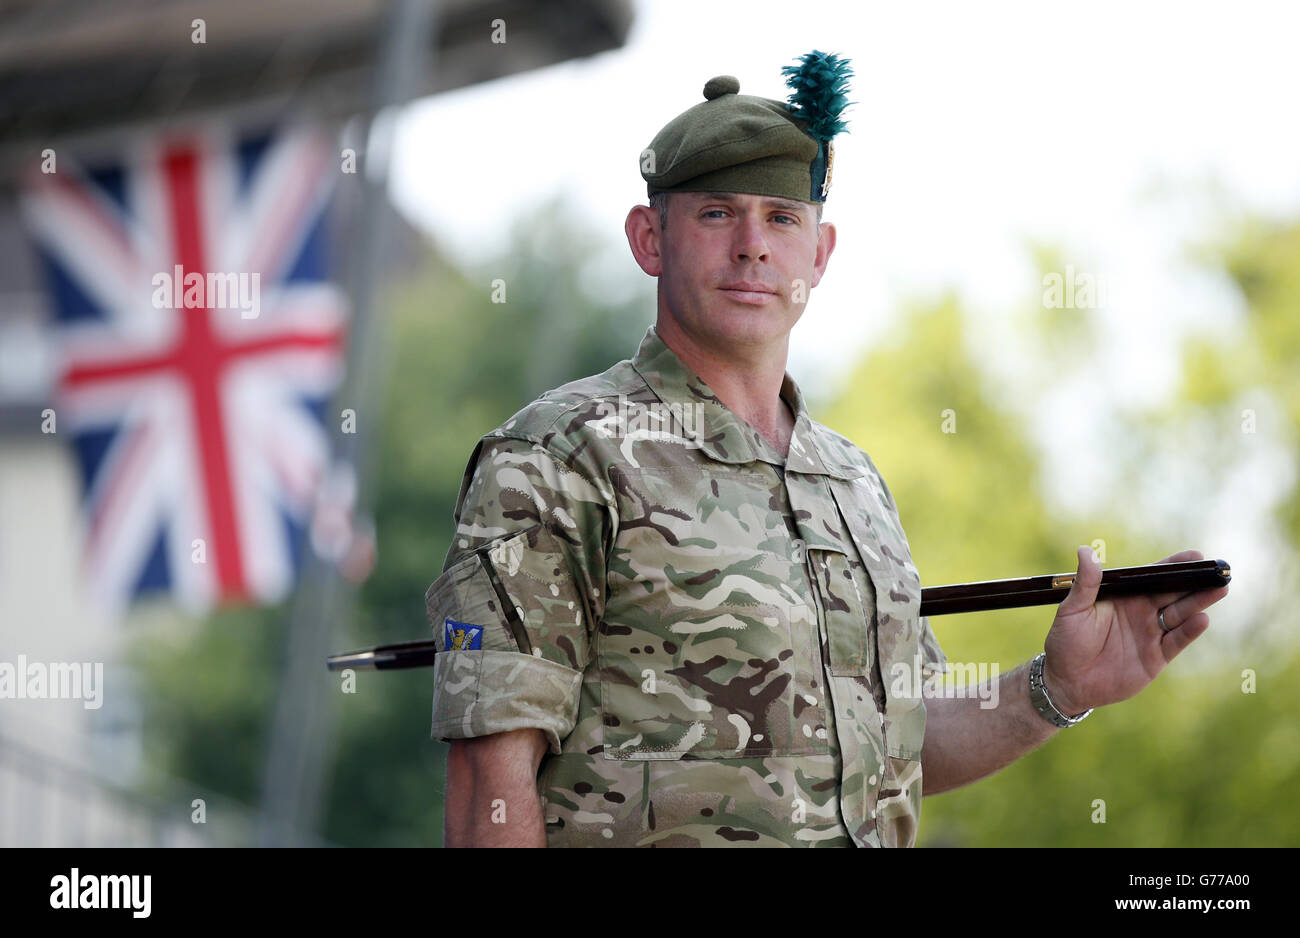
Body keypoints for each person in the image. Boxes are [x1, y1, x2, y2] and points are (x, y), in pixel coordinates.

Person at [428, 51, 1229, 847]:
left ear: (820, 253)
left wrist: (1054, 688)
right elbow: (486, 789)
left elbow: (896, 746)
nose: (752, 246)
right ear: (649, 239)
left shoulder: (852, 482)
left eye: (781, 219)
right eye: (716, 213)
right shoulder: (559, 457)